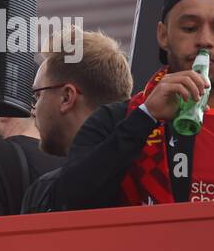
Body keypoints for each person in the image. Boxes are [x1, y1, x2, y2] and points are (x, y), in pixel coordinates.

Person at [48, 0, 214, 210]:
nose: (204, 41)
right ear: (163, 35)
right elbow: (66, 200)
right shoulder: (116, 120)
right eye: (189, 28)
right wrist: (145, 118)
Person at [22, 28, 134, 213]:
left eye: (38, 95)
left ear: (67, 97)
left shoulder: (46, 194)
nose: (34, 109)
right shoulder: (153, 171)